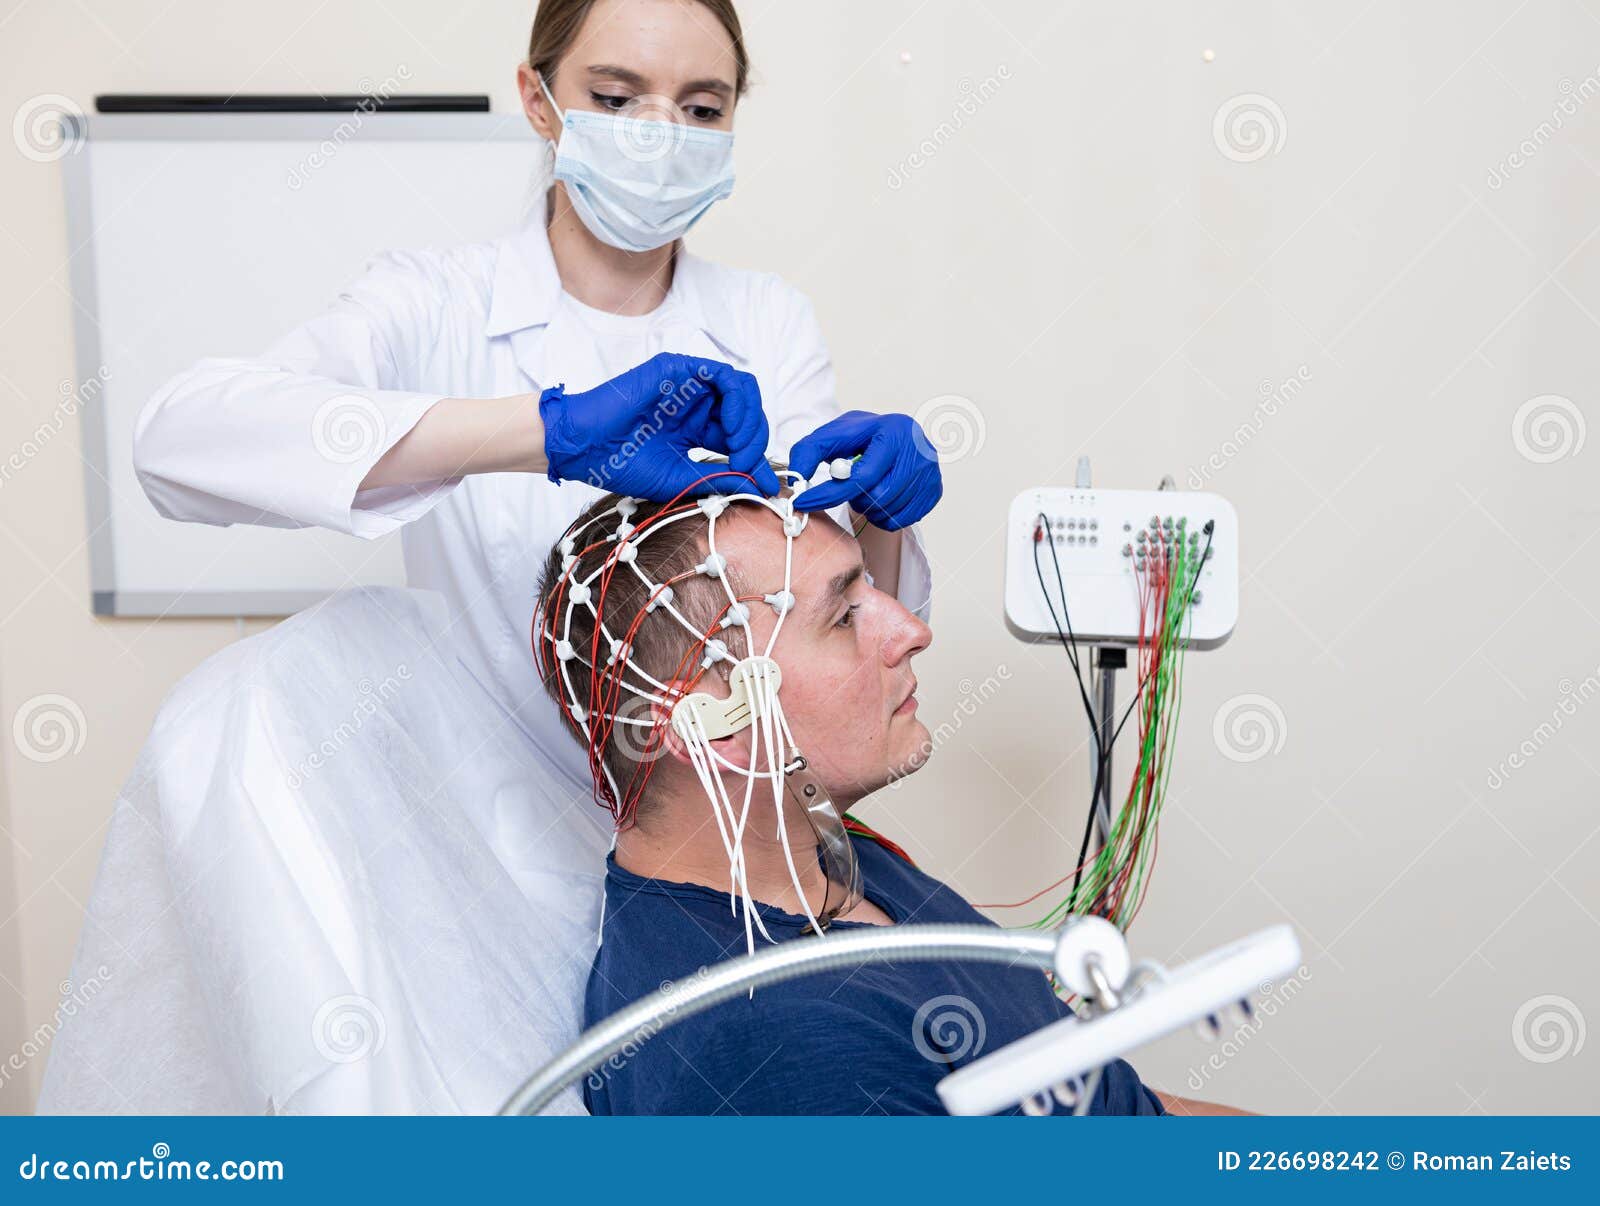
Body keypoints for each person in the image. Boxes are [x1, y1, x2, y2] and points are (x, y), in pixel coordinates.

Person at [131, 0, 938, 799]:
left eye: (701, 107)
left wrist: (877, 515)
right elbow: (176, 445)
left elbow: (828, 626)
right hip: (489, 835)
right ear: (536, 100)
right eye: (617, 100)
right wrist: (546, 433)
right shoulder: (435, 301)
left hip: (718, 825)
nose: (659, 135)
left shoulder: (765, 319)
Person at [534, 489, 1245, 1116]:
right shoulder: (782, 1045)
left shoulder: (823, 851)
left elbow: (1108, 1111)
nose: (912, 629)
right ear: (712, 723)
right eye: (844, 616)